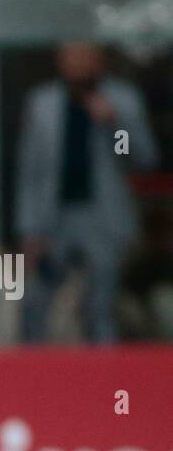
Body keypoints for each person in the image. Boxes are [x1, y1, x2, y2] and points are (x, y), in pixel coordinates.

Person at [16, 42, 158, 343]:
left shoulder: (122, 100)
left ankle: (105, 382)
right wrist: (29, 228)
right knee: (35, 301)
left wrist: (115, 124)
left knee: (100, 306)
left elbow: (145, 159)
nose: (77, 63)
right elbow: (29, 169)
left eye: (84, 56)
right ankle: (30, 375)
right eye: (71, 56)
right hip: (53, 217)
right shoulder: (43, 102)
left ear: (99, 60)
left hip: (103, 218)